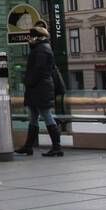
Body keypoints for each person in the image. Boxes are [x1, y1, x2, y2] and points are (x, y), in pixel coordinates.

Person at [16, 20, 65, 158]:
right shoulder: (41, 49)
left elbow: (39, 70)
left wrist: (29, 82)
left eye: (31, 37)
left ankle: (57, 147)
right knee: (33, 117)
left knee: (47, 116)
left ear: (37, 37)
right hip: (38, 88)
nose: (29, 39)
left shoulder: (42, 50)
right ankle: (28, 146)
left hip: (40, 88)